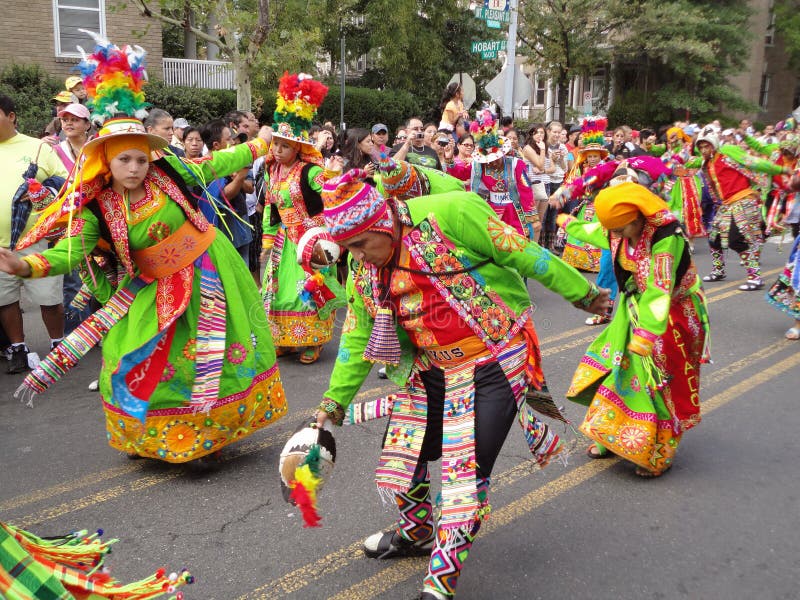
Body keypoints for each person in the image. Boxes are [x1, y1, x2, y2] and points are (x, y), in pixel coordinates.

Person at [315, 171, 610, 600]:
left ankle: (440, 585)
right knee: (402, 453)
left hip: (495, 359)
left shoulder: (450, 213)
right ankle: (415, 533)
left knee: (464, 479)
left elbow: (524, 253)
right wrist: (332, 404)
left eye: (362, 244)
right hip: (432, 369)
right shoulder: (364, 272)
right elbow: (357, 336)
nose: (358, 257)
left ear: (384, 222)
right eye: (349, 249)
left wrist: (583, 293)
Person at [0, 38, 285, 462]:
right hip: (148, 287)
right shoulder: (96, 205)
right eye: (125, 161)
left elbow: (218, 163)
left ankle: (203, 435)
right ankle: (145, 432)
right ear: (106, 162)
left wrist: (261, 143)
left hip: (205, 269)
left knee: (199, 356)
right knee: (129, 354)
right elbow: (72, 252)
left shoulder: (170, 173)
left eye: (141, 159)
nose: (134, 168)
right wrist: (26, 264)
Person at [560, 182, 710, 477]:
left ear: (640, 217)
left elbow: (660, 287)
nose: (614, 236)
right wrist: (567, 221)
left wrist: (647, 333)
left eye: (621, 229)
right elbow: (593, 232)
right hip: (634, 309)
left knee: (658, 381)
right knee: (616, 366)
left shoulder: (668, 238)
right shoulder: (617, 230)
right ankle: (610, 434)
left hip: (671, 316)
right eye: (612, 230)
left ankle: (658, 451)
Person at [260, 72, 345, 365]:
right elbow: (271, 206)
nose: (278, 150)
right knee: (278, 291)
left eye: (284, 146)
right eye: (275, 144)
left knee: (310, 289)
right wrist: (268, 238)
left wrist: (333, 175)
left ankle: (314, 341)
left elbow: (331, 193)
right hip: (285, 242)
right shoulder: (272, 172)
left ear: (297, 147)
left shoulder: (309, 172)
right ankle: (284, 339)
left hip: (313, 239)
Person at [0, 94, 69, 373]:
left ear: (11, 116)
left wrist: (44, 194)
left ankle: (58, 345)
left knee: (49, 298)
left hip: (36, 240)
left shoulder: (38, 148)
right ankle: (18, 348)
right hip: (0, 246)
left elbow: (64, 184)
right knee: (5, 300)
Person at [696, 126, 788, 290]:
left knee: (736, 240)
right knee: (713, 238)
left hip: (743, 200)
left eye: (707, 146)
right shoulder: (706, 162)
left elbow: (753, 162)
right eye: (701, 147)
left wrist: (780, 169)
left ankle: (755, 277)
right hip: (727, 204)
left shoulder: (727, 152)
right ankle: (719, 271)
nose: (704, 150)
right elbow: (691, 163)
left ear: (714, 144)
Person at [445, 110, 538, 240]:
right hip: (490, 210)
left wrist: (532, 218)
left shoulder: (517, 165)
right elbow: (460, 173)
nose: (492, 161)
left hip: (514, 211)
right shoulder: (479, 165)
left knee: (516, 243)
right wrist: (449, 159)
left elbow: (526, 191)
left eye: (495, 157)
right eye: (488, 158)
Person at [550, 117, 610, 271]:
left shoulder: (606, 169)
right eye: (589, 156)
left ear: (600, 156)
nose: (591, 159)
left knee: (595, 232)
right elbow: (573, 183)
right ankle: (578, 260)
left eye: (595, 156)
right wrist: (560, 194)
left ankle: (595, 262)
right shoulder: (582, 168)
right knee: (581, 230)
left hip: (600, 206)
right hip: (585, 205)